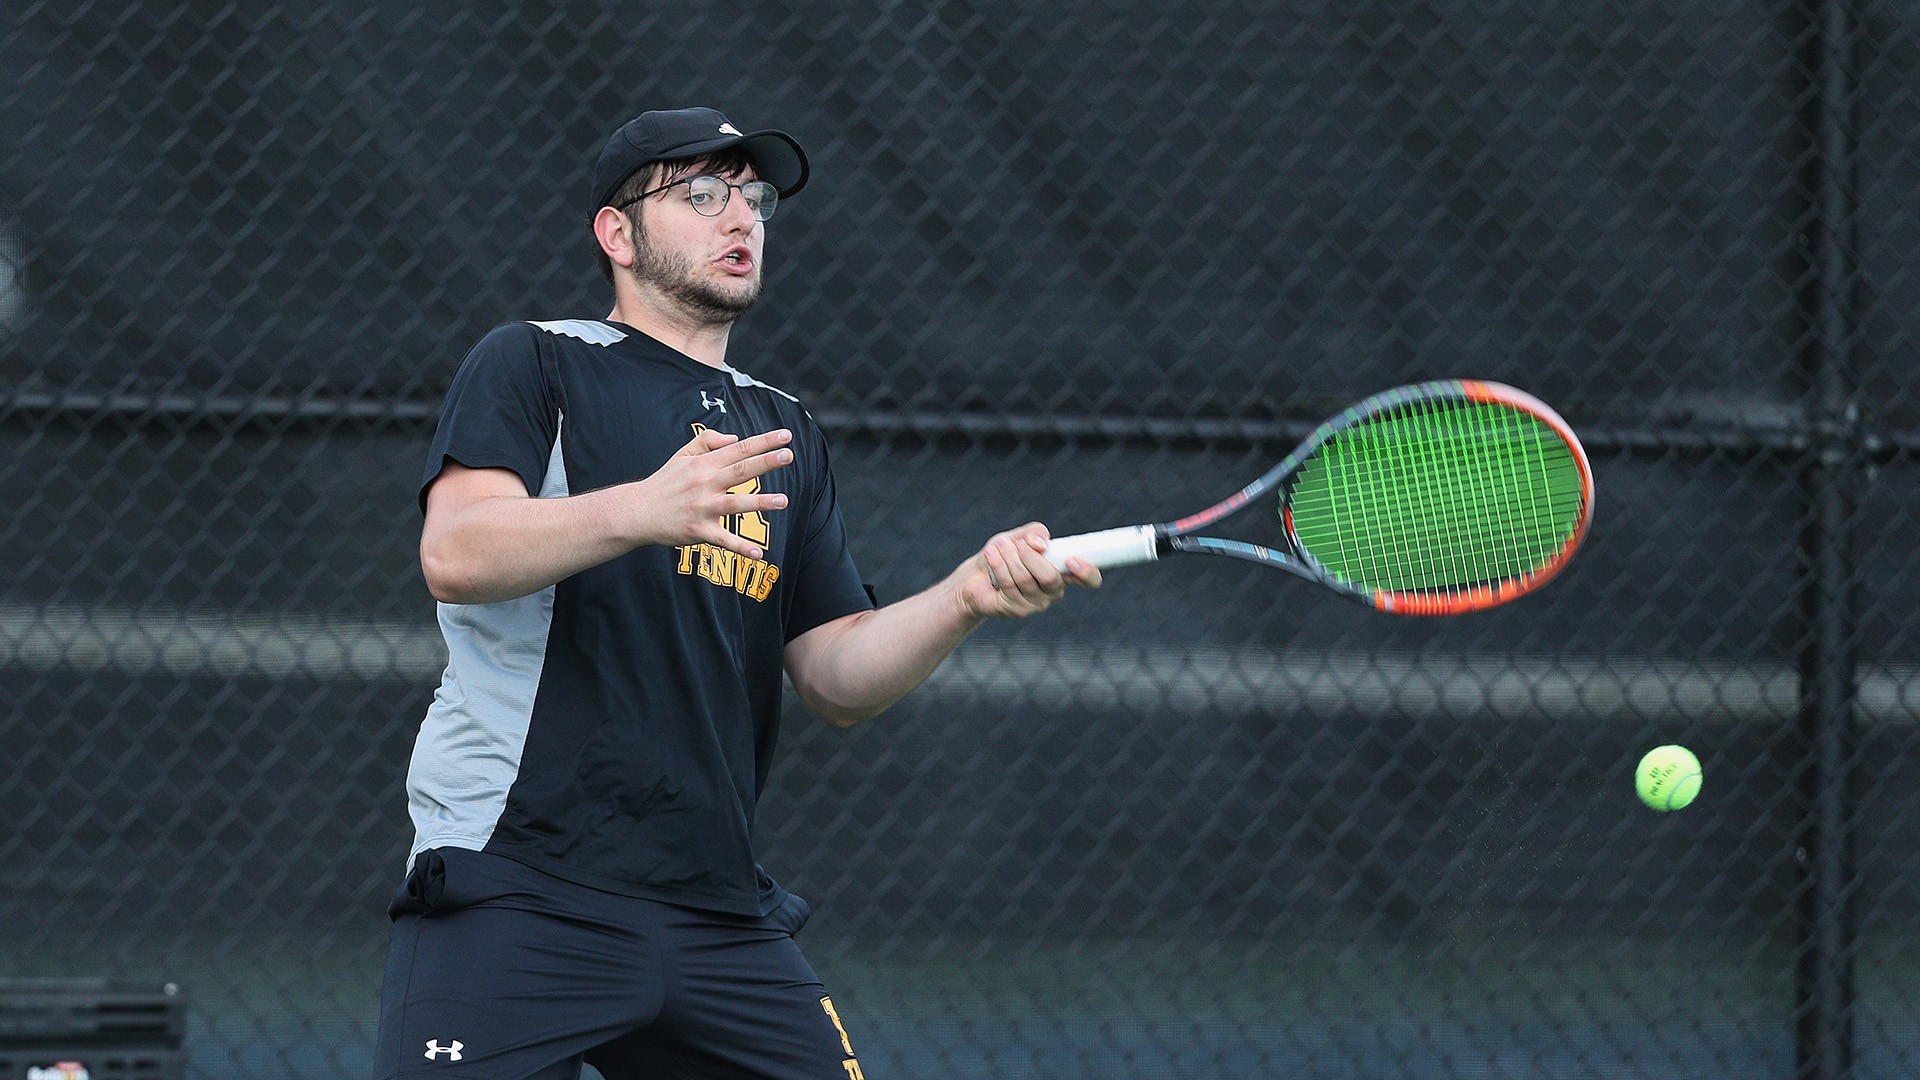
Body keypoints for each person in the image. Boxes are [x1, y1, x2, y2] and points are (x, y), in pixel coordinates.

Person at [371, 106, 1101, 1080]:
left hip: (717, 913)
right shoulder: (535, 360)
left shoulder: (779, 428)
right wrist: (643, 508)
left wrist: (964, 595)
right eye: (703, 195)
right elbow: (455, 552)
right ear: (617, 235)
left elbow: (836, 674)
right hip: (518, 886)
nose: (741, 219)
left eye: (754, 199)